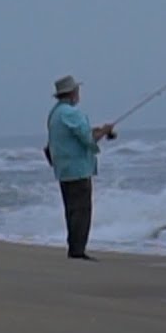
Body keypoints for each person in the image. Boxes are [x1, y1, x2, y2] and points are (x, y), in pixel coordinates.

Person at [46, 75, 114, 261]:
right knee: (82, 211)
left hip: (64, 169)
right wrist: (104, 132)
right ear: (73, 93)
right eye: (77, 90)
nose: (79, 93)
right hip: (77, 169)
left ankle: (74, 248)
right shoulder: (71, 113)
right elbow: (87, 139)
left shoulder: (55, 113)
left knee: (72, 210)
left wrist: (99, 130)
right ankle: (77, 251)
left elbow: (75, 135)